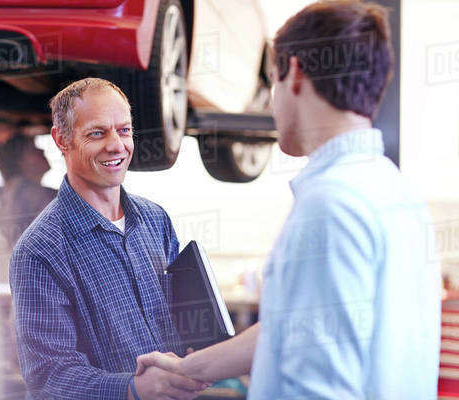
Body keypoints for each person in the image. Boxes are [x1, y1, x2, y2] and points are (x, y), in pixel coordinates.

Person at [136, 1, 441, 399]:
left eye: (273, 81)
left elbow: (318, 388)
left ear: (294, 72)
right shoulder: (394, 193)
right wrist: (191, 368)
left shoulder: (331, 206)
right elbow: (294, 326)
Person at [9, 78, 208, 400]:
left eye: (124, 130)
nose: (117, 145)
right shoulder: (40, 251)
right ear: (62, 140)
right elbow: (48, 378)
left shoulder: (155, 220)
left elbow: (183, 318)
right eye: (97, 133)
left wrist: (201, 355)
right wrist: (133, 389)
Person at [0, 134, 56, 247]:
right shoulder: (23, 190)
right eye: (32, 149)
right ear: (18, 161)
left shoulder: (13, 190)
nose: (41, 150)